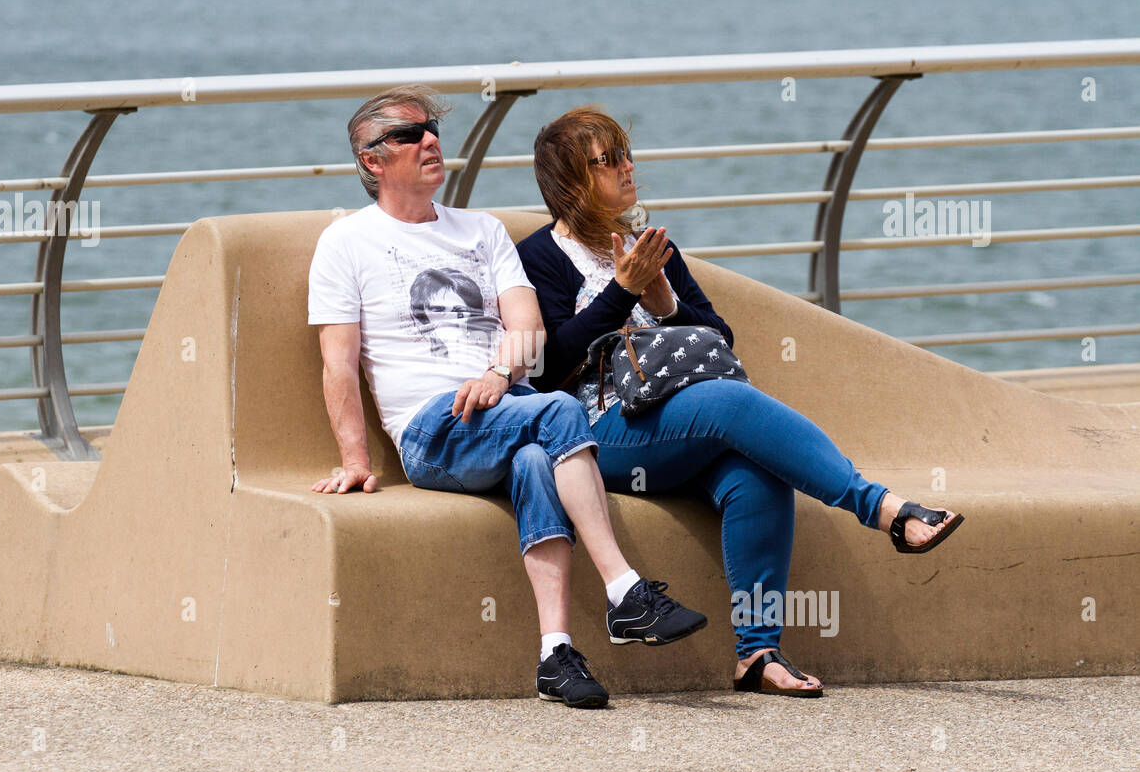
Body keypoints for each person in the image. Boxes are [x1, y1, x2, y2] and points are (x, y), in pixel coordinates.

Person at [517, 106, 965, 698]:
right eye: (610, 160)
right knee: (729, 402)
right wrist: (622, 294)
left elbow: (716, 337)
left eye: (627, 152)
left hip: (684, 426)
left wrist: (667, 301)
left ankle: (758, 654)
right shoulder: (539, 258)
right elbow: (546, 369)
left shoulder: (651, 246)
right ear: (573, 182)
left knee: (758, 473)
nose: (629, 167)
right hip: (605, 434)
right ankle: (881, 508)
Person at [307, 86, 709, 709]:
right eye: (410, 134)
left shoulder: (483, 231)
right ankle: (625, 590)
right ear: (371, 160)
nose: (431, 140)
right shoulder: (346, 242)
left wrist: (499, 373)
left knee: (532, 460)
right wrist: (356, 460)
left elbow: (528, 330)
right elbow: (338, 363)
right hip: (431, 428)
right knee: (561, 410)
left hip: (507, 412)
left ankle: (554, 654)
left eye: (433, 127)